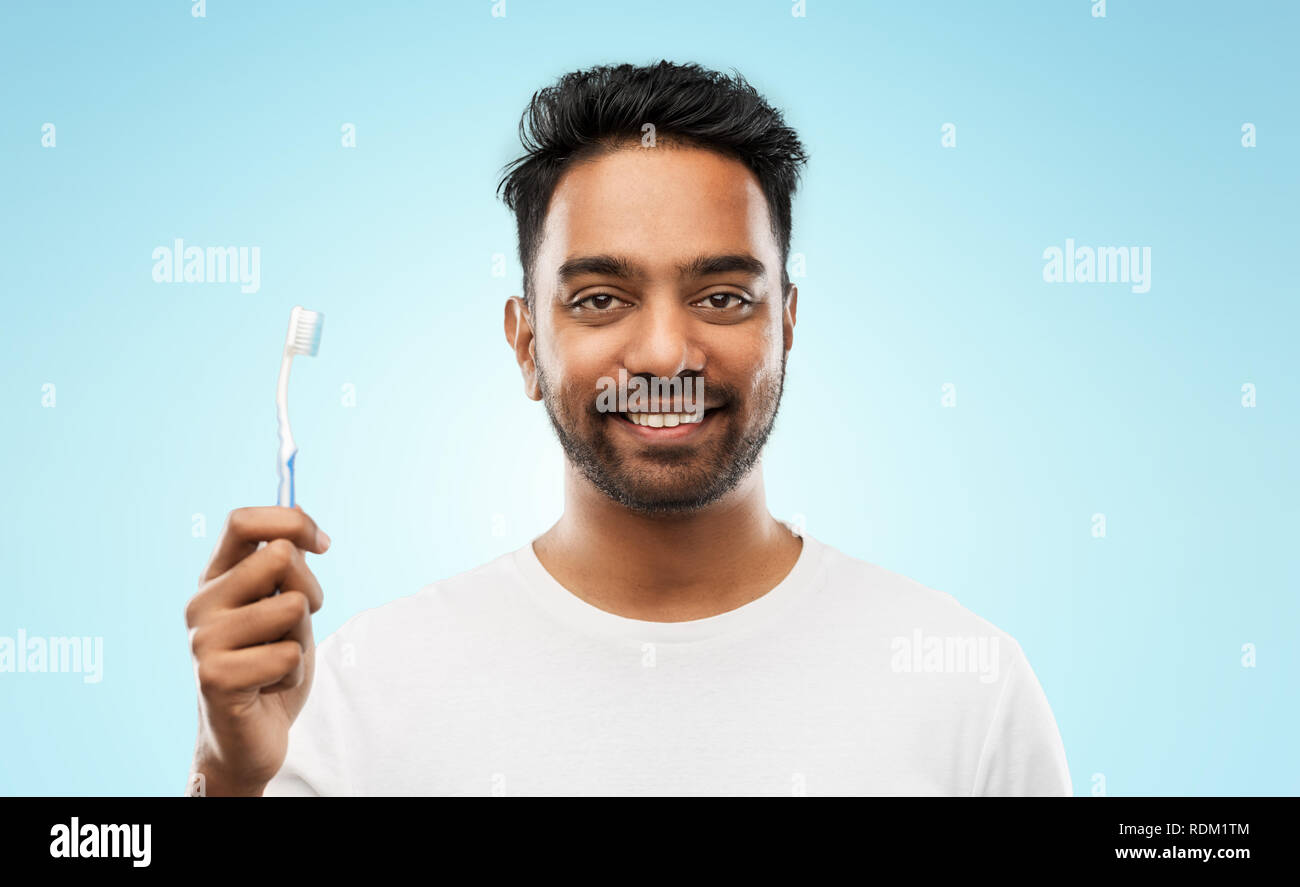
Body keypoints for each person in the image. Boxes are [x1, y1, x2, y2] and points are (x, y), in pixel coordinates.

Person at [184, 61, 1071, 796]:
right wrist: (226, 780)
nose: (662, 353)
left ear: (786, 323)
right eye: (601, 299)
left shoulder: (968, 689)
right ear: (526, 341)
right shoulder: (353, 696)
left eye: (722, 297)